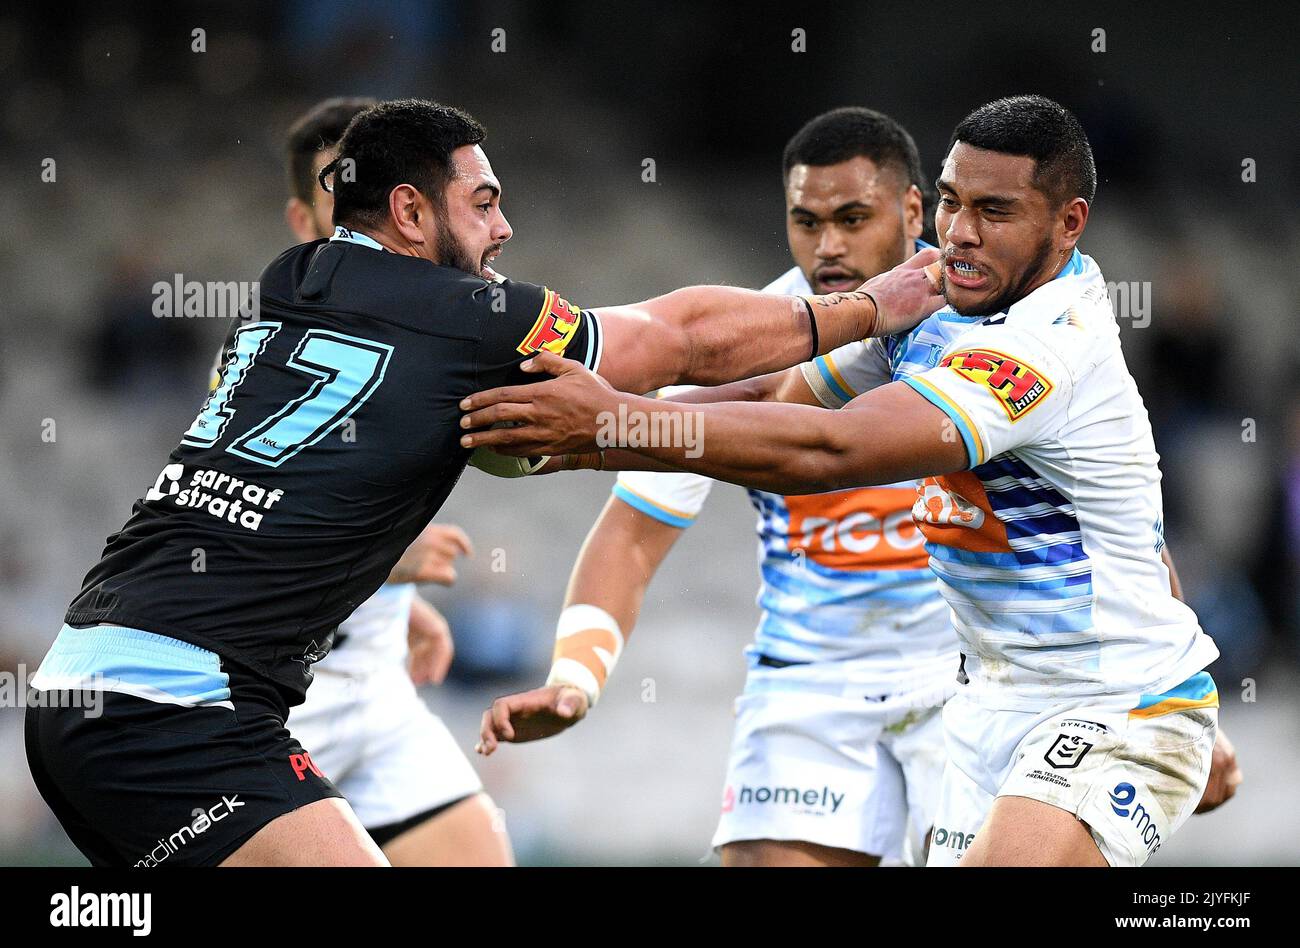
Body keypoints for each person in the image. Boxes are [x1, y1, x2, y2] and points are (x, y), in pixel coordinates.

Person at [25, 98, 942, 867]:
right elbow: (676, 338)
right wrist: (870, 310)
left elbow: (324, 466)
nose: (504, 228)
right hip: (178, 712)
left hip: (97, 681)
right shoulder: (462, 317)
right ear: (413, 213)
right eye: (484, 202)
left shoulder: (293, 280)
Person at [463, 95, 1226, 866]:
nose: (961, 233)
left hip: (1107, 704)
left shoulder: (1045, 348)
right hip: (972, 697)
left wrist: (606, 424)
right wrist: (588, 440)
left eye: (994, 212)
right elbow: (775, 396)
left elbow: (831, 450)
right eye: (957, 205)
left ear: (1068, 223)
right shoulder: (931, 295)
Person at [479, 108, 954, 867]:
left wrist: (1161, 684)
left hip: (969, 679)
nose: (828, 245)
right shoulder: (755, 333)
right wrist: (574, 678)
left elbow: (1093, 498)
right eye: (806, 221)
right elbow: (632, 537)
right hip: (811, 682)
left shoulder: (988, 320)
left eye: (852, 218)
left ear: (912, 211)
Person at [279, 98, 512, 866]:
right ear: (302, 216)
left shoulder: (431, 324)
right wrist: (389, 559)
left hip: (376, 688)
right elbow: (240, 523)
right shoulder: (275, 346)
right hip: (280, 701)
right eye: (336, 193)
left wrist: (397, 606)